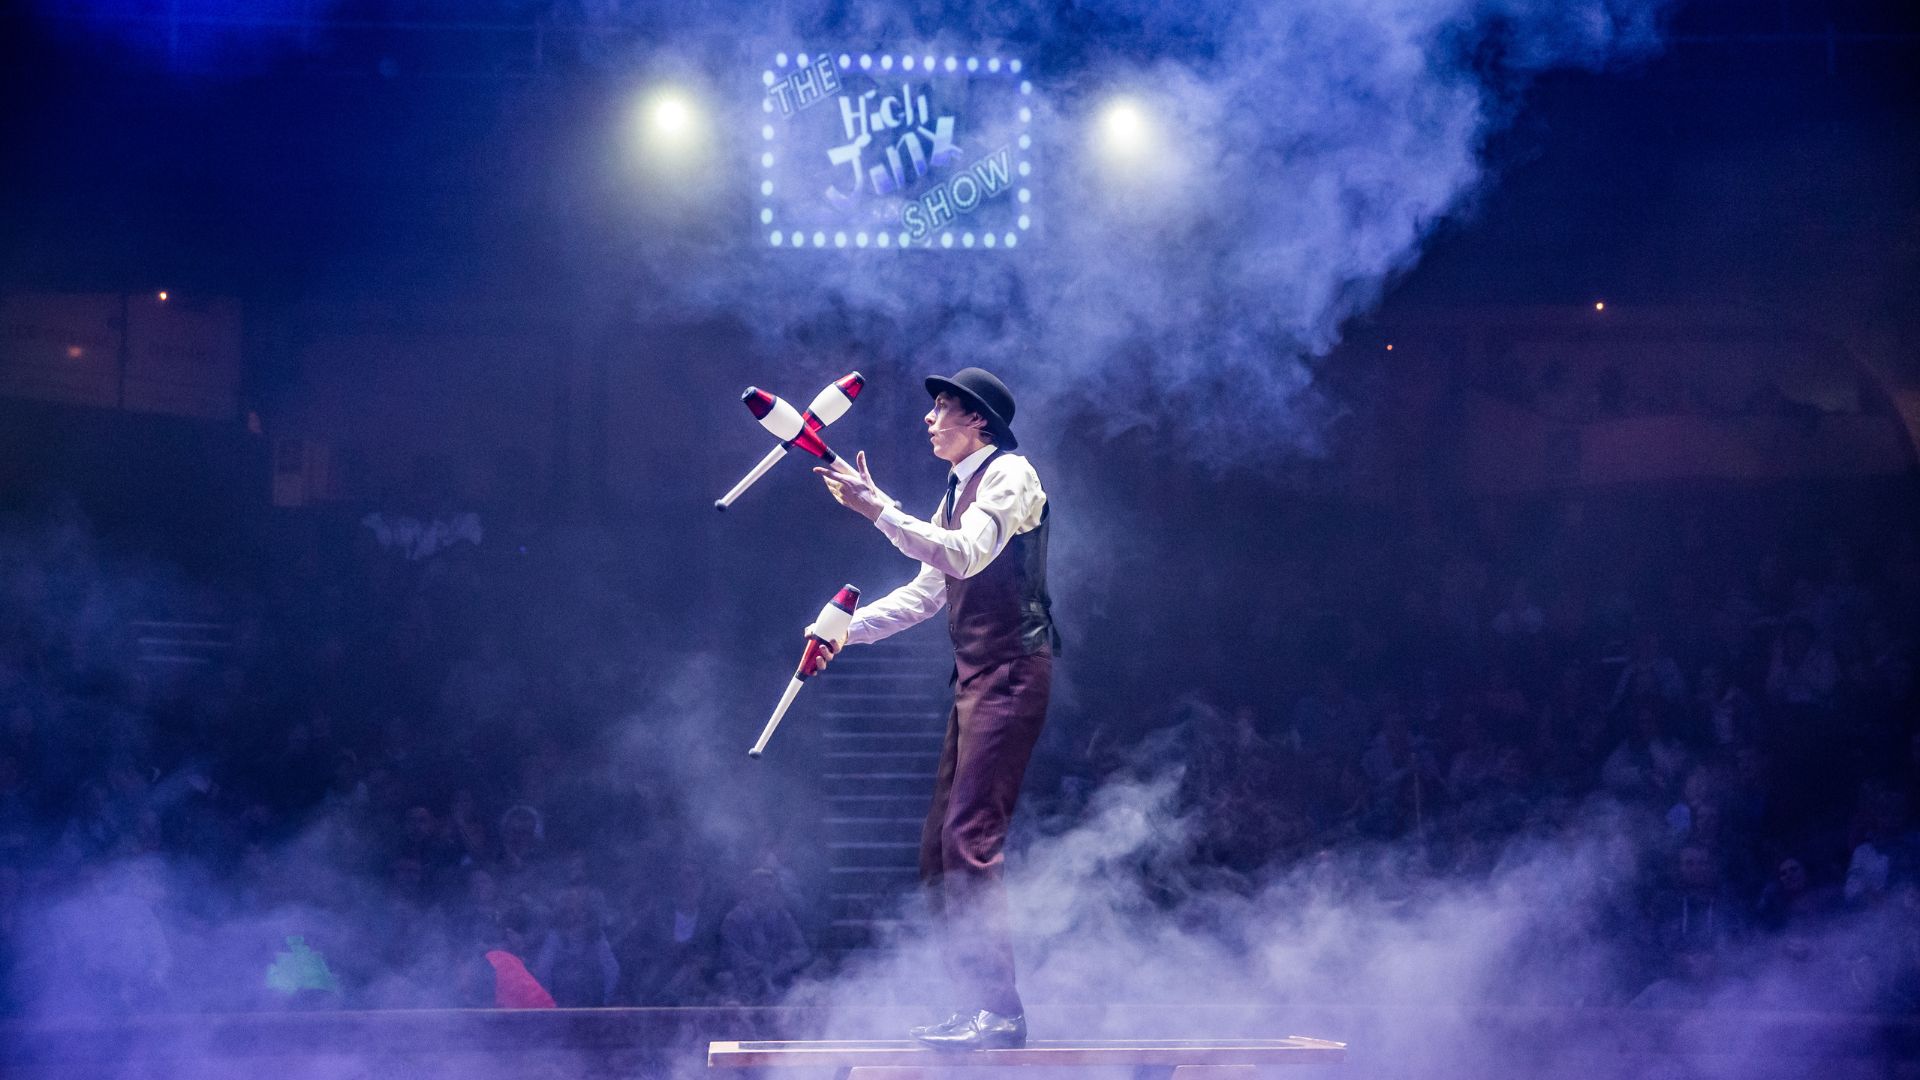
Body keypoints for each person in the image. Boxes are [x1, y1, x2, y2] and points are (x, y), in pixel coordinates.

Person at [811, 367, 1055, 1050]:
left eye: (944, 409)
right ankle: (977, 1006)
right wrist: (844, 632)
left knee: (969, 839)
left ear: (978, 422)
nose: (929, 418)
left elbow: (968, 556)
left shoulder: (1010, 474)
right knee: (935, 854)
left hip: (1011, 672)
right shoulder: (954, 492)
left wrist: (878, 509)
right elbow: (928, 590)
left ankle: (1001, 1013)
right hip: (977, 677)